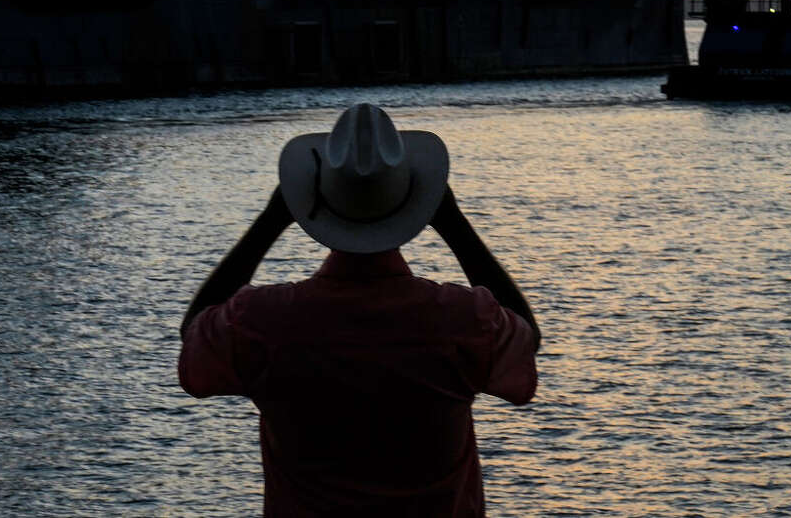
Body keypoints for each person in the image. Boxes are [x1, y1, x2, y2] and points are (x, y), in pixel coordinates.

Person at [178, 103, 540, 516]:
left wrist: (271, 220)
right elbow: (527, 340)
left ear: (312, 200)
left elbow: (193, 337)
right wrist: (455, 223)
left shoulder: (262, 321)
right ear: (417, 202)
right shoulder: (462, 319)